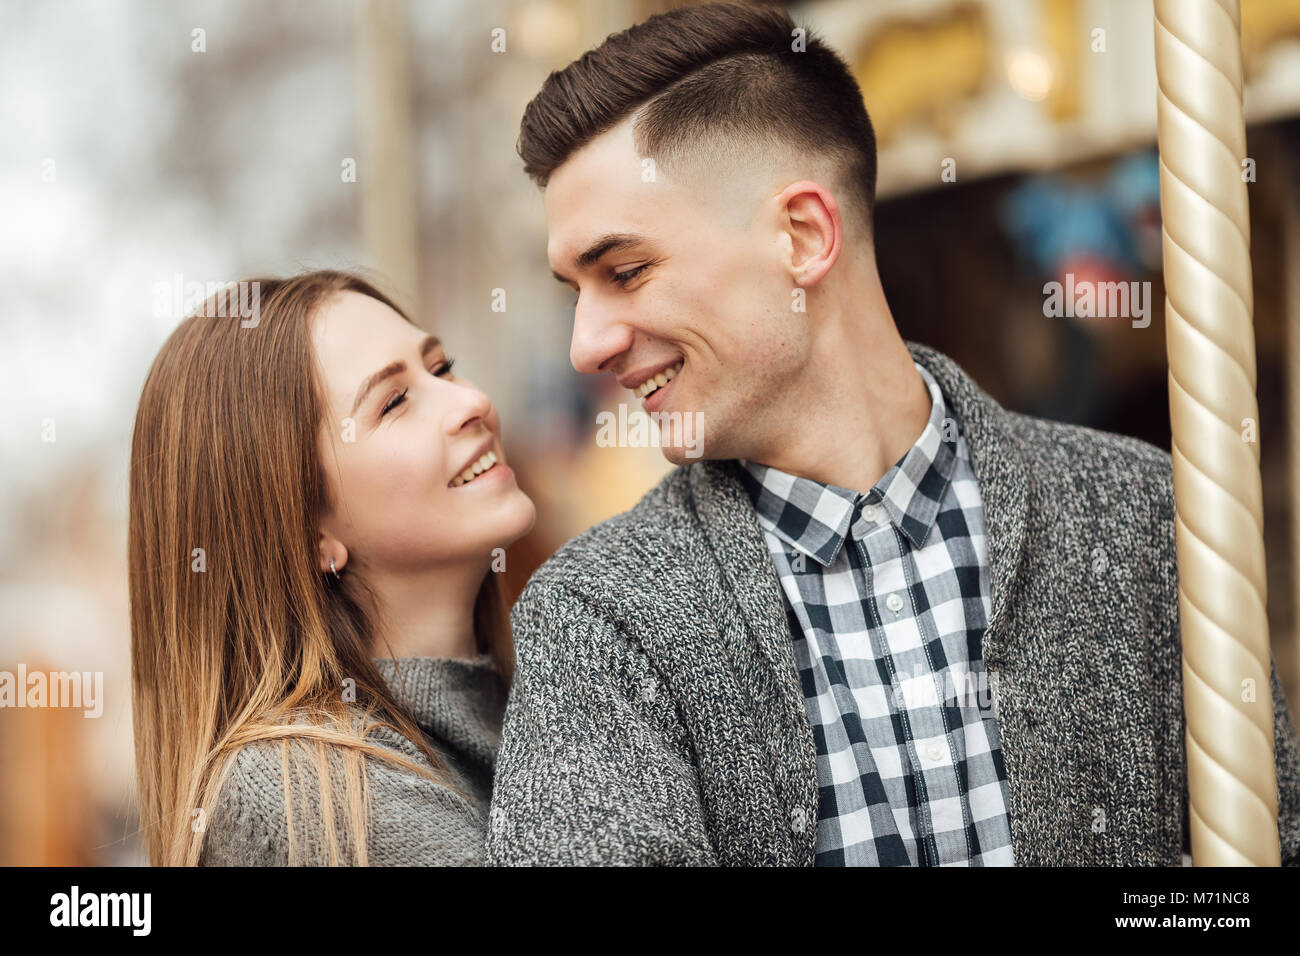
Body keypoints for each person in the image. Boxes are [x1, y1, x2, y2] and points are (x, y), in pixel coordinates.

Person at [485, 2, 1300, 865]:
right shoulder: (599, 617)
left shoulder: (1143, 514)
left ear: (803, 235)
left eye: (626, 271)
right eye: (579, 292)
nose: (587, 345)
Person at [128, 270, 535, 865]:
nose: (473, 402)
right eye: (394, 402)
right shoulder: (298, 790)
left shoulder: (547, 678)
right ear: (306, 530)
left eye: (442, 368)